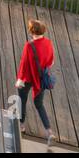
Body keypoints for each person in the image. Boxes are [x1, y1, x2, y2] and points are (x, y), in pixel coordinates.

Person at [16, 18, 57, 146]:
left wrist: (20, 79)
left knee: (22, 100)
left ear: (31, 31)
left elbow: (24, 64)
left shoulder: (29, 45)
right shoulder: (48, 43)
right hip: (40, 79)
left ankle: (21, 125)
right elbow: (51, 62)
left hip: (27, 78)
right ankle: (50, 132)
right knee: (39, 104)